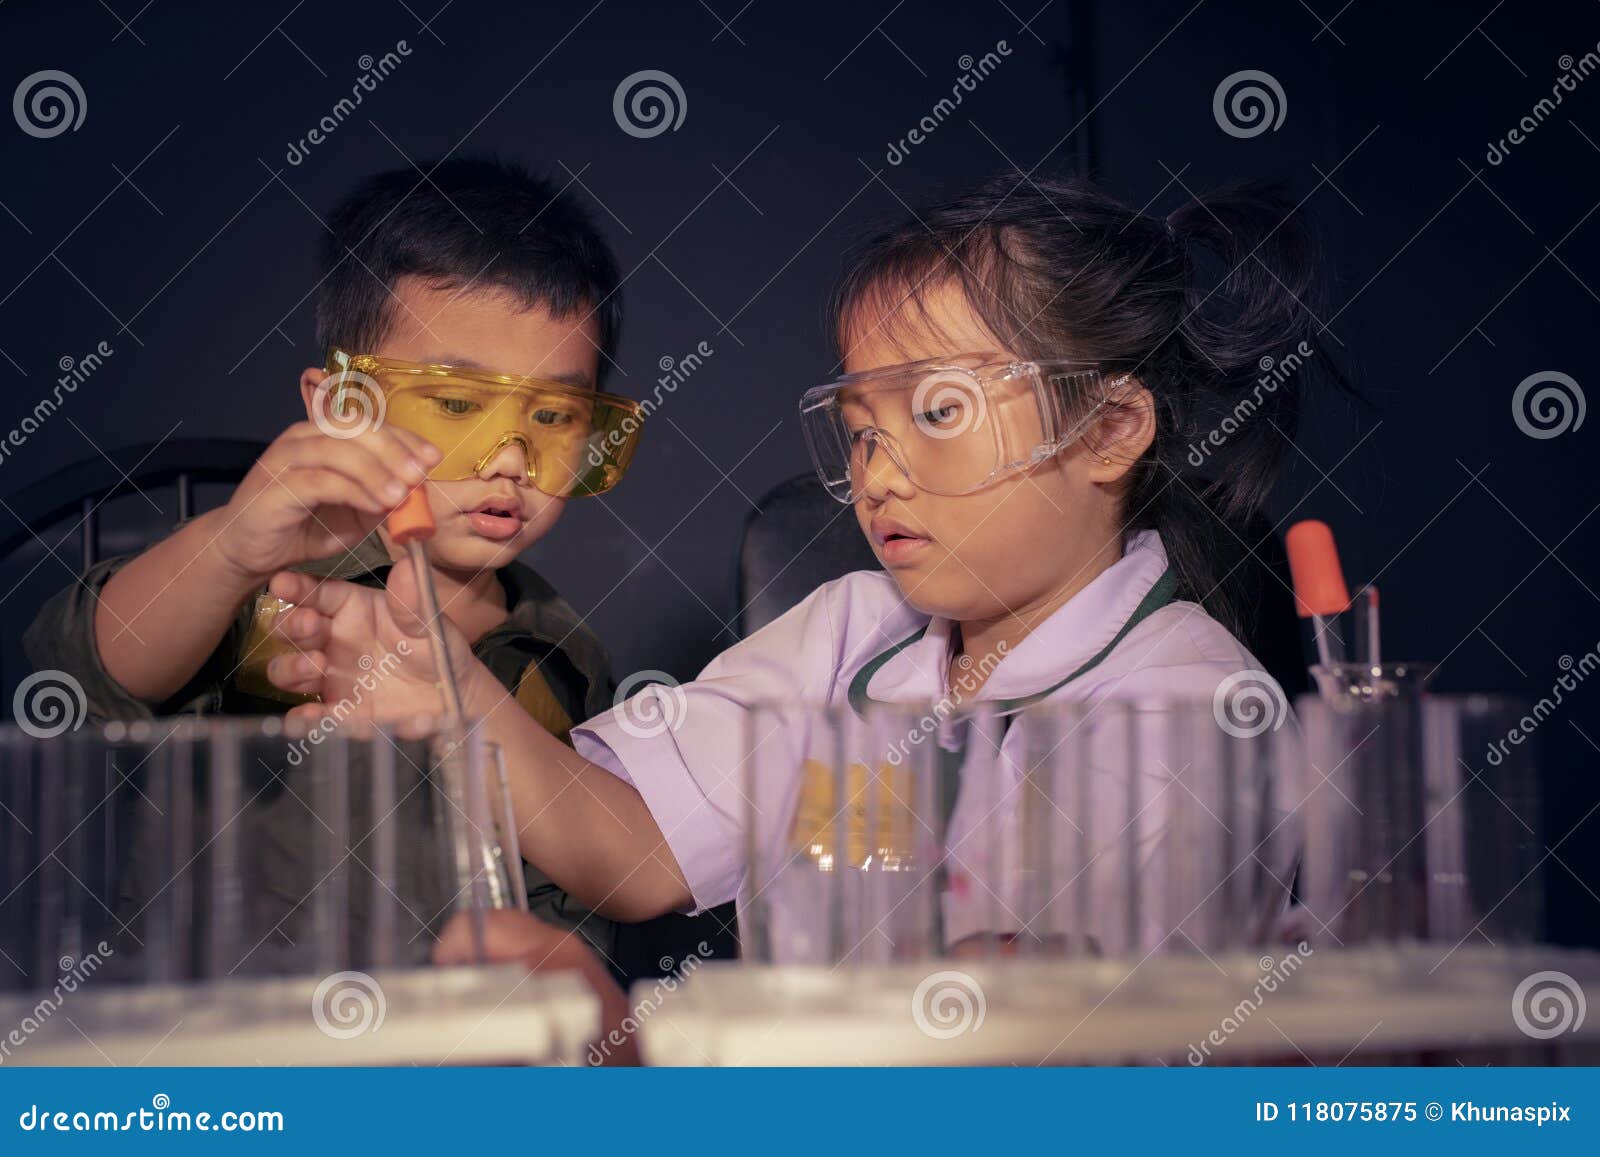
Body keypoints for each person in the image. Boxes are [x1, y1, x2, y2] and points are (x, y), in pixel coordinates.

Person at [261, 173, 1336, 955]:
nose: (878, 471)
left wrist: (636, 1048)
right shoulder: (846, 632)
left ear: (1107, 429)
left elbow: (1043, 1030)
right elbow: (623, 847)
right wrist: (448, 696)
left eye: (937, 409)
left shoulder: (1189, 703)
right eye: (861, 427)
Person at [24, 156, 636, 962]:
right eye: (455, 404)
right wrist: (229, 547)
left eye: (553, 416)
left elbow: (570, 893)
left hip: (437, 1053)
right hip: (216, 1034)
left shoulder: (561, 657)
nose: (511, 461)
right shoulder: (268, 580)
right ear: (341, 407)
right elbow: (75, 670)